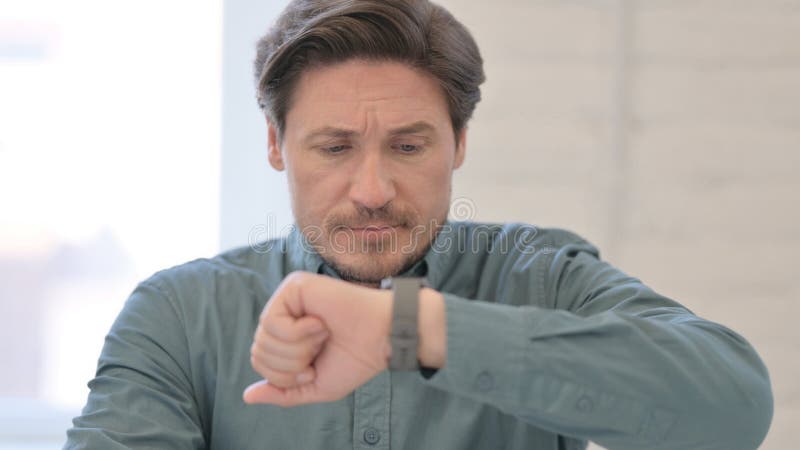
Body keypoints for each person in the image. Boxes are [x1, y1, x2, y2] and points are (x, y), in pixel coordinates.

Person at [64, 1, 773, 449]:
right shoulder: (179, 316)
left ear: (459, 143)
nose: (372, 191)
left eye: (408, 146)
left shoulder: (540, 276)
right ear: (277, 146)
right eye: (335, 147)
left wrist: (409, 328)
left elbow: (733, 412)